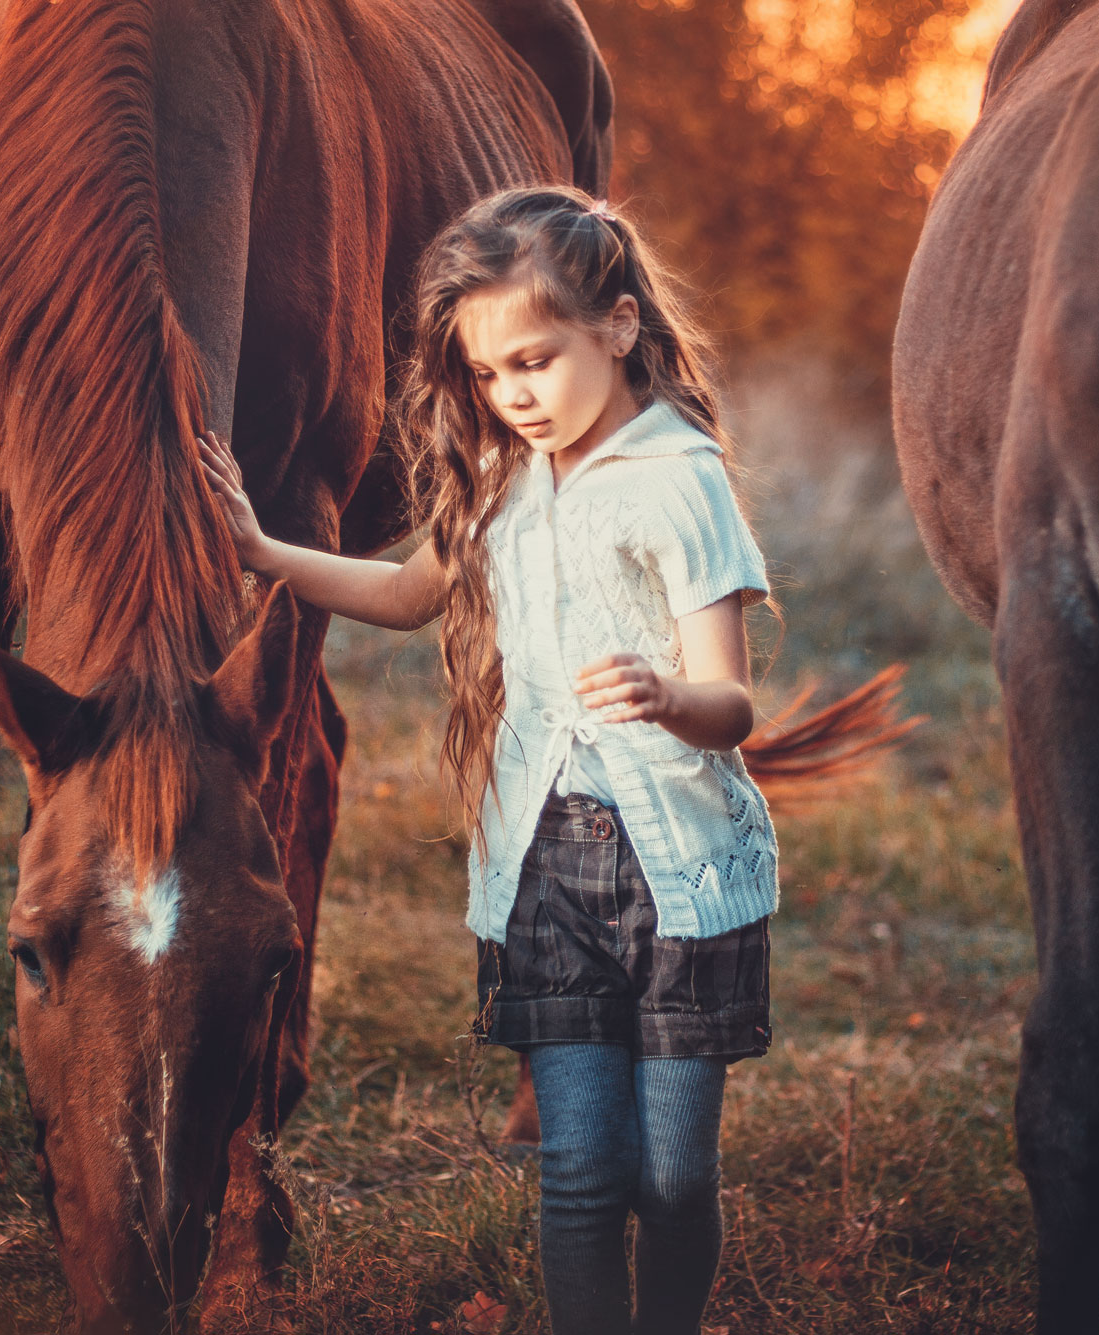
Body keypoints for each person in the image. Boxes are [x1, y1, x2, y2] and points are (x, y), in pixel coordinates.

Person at [196, 184, 776, 1335]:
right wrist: (266, 550)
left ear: (615, 325)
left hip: (681, 886)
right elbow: (412, 595)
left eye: (536, 360)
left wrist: (669, 697)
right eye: (489, 375)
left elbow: (734, 703)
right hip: (542, 879)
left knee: (670, 1181)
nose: (515, 396)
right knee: (577, 1179)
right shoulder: (505, 477)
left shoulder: (679, 477)